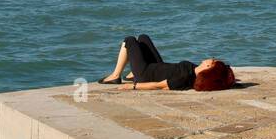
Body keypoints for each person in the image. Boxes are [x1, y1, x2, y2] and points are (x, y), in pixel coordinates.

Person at [98, 34, 236, 92]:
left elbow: (159, 85)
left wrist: (133, 87)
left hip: (146, 74)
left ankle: (115, 76)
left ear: (208, 67)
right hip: (157, 67)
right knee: (143, 38)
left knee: (129, 40)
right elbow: (220, 77)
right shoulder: (195, 70)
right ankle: (132, 73)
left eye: (212, 60)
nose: (210, 58)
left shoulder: (184, 78)